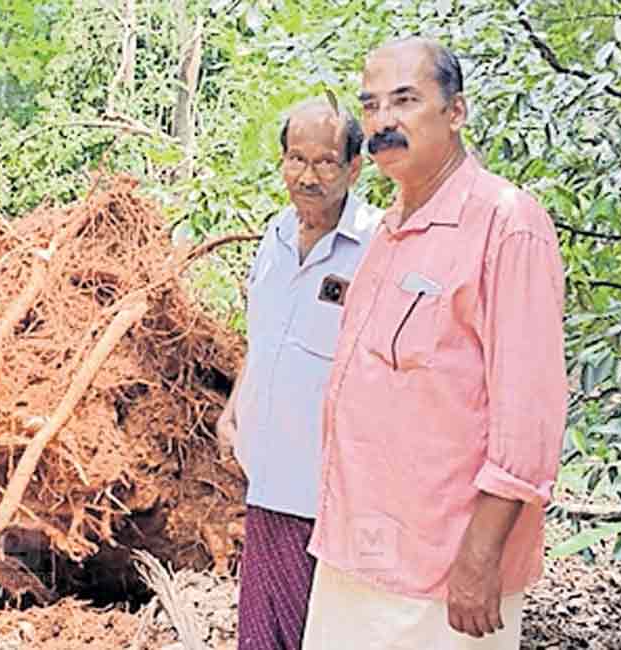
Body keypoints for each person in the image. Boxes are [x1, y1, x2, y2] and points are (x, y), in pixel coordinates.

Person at [301, 38, 568, 649]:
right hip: (358, 548)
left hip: (441, 569)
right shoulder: (389, 229)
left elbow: (530, 416)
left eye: (405, 100)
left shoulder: (506, 222)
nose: (383, 122)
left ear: (456, 112)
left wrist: (479, 557)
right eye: (370, 106)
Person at [218, 97, 382, 650]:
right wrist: (231, 409)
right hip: (265, 480)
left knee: (318, 635)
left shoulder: (378, 247)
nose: (307, 177)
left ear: (354, 167)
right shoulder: (275, 236)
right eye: (295, 159)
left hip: (328, 495)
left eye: (325, 162)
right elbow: (263, 340)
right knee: (264, 635)